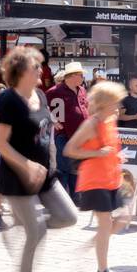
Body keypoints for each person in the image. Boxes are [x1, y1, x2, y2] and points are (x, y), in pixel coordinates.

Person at [0, 47, 78, 272]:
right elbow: (0, 144)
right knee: (37, 233)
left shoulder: (40, 95)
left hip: (46, 174)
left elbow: (45, 132)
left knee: (69, 217)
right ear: (20, 71)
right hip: (18, 178)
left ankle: (24, 223)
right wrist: (26, 164)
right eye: (35, 67)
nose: (41, 71)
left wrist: (50, 161)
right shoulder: (8, 100)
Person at [64, 79, 130, 272]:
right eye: (115, 102)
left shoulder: (110, 122)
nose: (119, 106)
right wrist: (97, 152)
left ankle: (95, 245)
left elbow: (110, 149)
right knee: (104, 224)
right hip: (94, 179)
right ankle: (103, 270)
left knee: (123, 218)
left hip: (111, 178)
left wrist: (116, 157)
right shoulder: (91, 124)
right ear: (105, 102)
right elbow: (69, 150)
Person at [46, 61, 90, 200]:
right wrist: (53, 120)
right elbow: (42, 107)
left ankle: (75, 198)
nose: (83, 77)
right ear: (71, 76)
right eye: (80, 75)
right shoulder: (55, 91)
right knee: (64, 167)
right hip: (64, 135)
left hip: (80, 135)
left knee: (77, 167)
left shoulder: (82, 90)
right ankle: (62, 199)